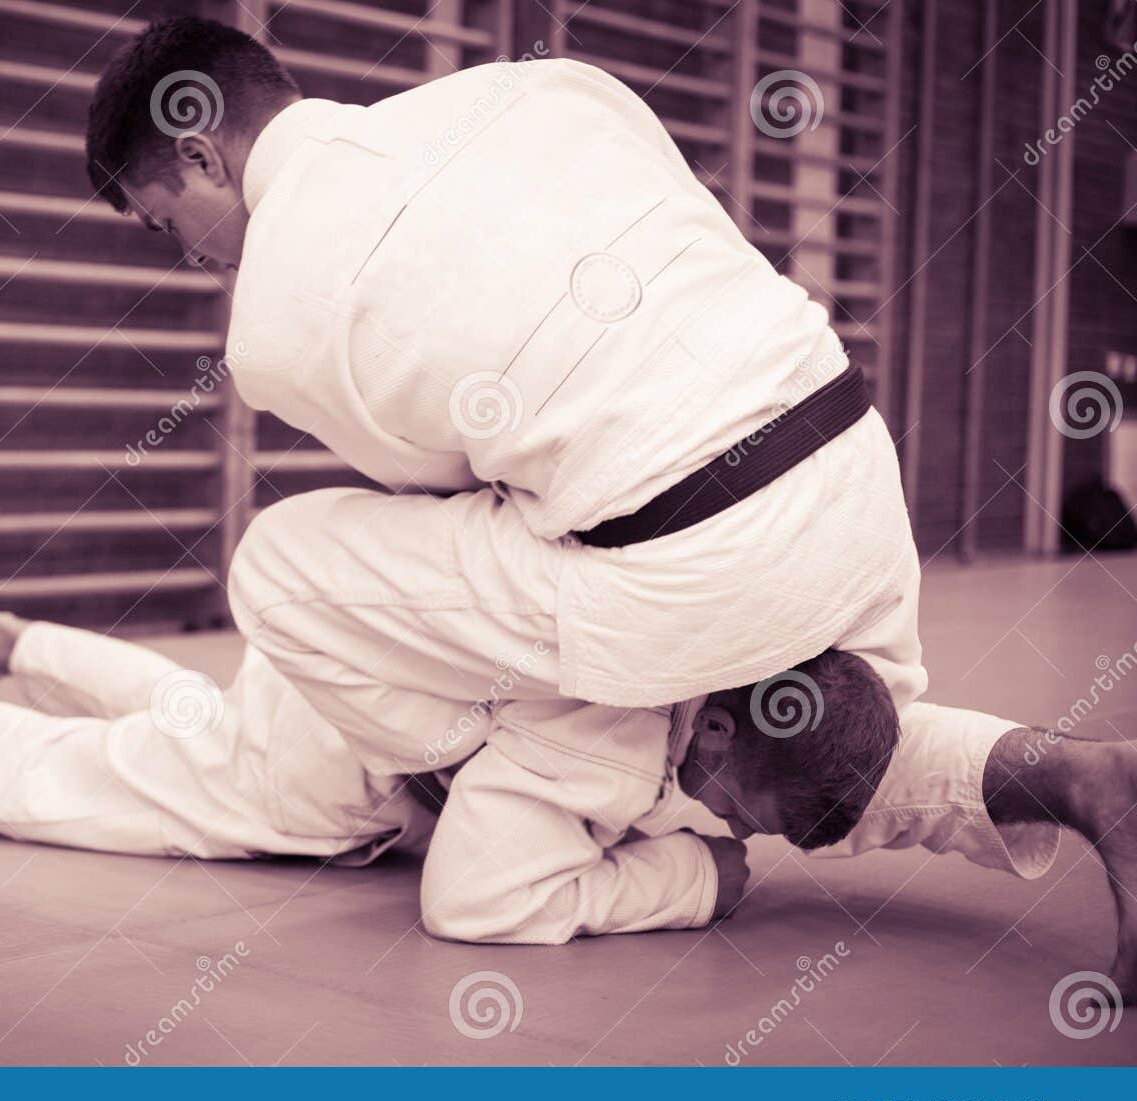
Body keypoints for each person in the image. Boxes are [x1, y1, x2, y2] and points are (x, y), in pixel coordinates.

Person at [83, 16, 1137, 994]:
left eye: (168, 222)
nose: (190, 251)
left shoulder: (271, 325)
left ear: (198, 153)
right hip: (852, 472)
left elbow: (456, 494)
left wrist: (539, 730)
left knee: (277, 564)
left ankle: (465, 765)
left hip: (679, 566)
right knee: (841, 739)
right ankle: (1083, 778)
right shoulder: (541, 90)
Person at [0, 598, 901, 942]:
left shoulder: (686, 650)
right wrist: (688, 881)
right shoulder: (602, 745)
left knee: (187, 713)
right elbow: (475, 902)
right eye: (742, 811)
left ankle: (10, 638)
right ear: (724, 734)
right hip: (308, 776)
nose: (739, 832)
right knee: (58, 780)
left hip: (332, 694)